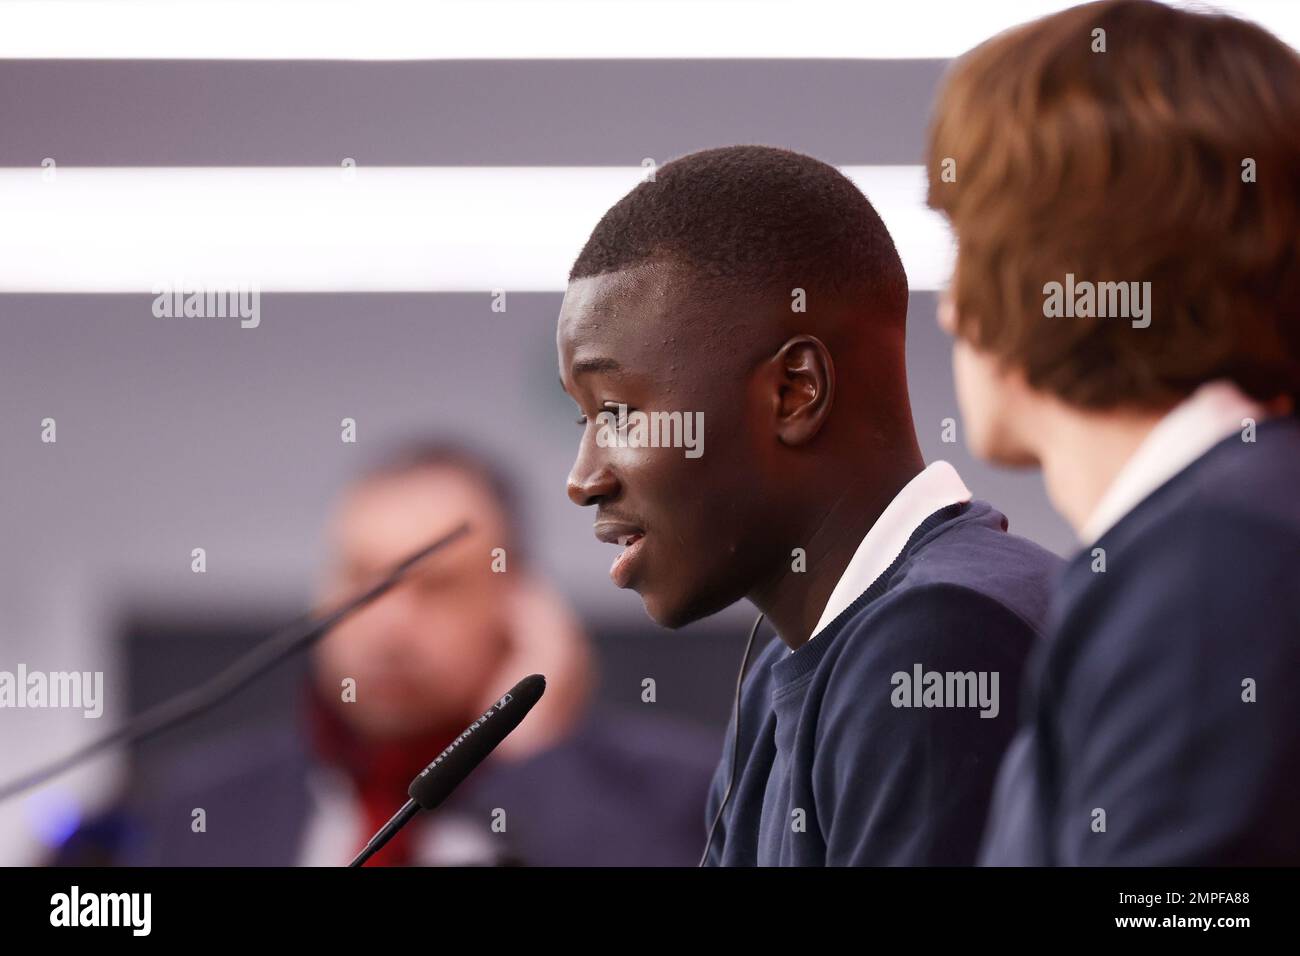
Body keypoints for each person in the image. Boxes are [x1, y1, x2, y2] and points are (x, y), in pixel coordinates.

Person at [557, 144, 1061, 865]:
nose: (583, 480)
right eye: (585, 420)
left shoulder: (939, 637)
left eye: (617, 413)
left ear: (795, 392)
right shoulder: (783, 671)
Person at [925, 0, 1300, 864]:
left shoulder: (1213, 558)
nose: (948, 309)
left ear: (1051, 261)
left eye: (965, 243)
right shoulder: (1215, 534)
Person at [54, 442, 716, 866]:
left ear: (521, 606)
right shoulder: (199, 806)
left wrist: (531, 756)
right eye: (364, 582)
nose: (390, 627)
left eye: (438, 586)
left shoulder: (680, 800)